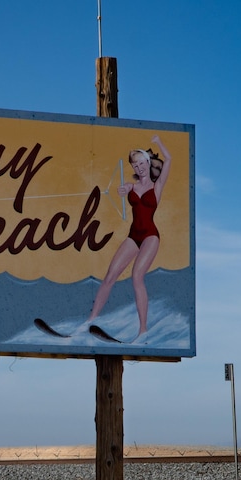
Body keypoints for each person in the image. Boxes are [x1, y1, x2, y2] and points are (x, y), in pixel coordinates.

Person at [87, 135, 171, 341]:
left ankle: (143, 329)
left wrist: (158, 142)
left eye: (142, 163)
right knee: (110, 276)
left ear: (148, 163)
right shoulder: (131, 187)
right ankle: (91, 320)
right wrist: (122, 190)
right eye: (135, 164)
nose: (139, 167)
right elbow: (123, 189)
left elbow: (168, 160)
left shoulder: (157, 186)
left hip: (150, 236)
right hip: (134, 236)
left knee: (136, 276)